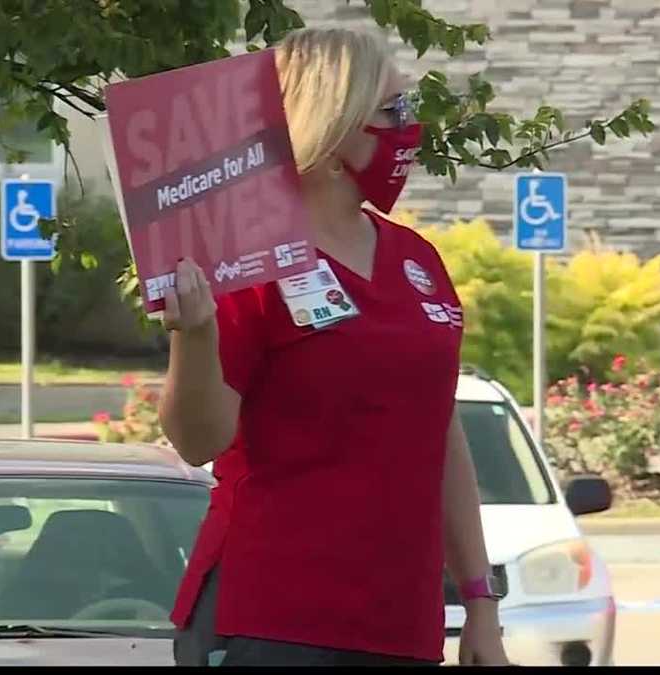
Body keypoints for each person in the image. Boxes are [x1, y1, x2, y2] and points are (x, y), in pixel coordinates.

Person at [160, 26, 508, 667]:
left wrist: (481, 601)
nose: (410, 128)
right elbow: (197, 439)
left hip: (401, 624)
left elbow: (440, 435)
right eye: (390, 110)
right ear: (331, 122)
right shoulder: (248, 258)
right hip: (272, 620)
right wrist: (196, 334)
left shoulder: (418, 260)